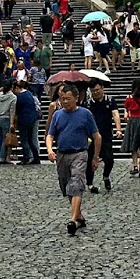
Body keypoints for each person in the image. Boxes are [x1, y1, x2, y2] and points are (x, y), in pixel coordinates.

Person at [47, 83, 100, 237]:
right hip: (62, 154)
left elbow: (97, 136)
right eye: (62, 98)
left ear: (76, 98)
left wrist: (95, 157)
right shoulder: (57, 115)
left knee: (76, 184)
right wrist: (50, 150)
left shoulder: (85, 114)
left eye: (68, 98)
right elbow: (50, 135)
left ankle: (72, 220)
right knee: (66, 186)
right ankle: (79, 216)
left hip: (79, 153)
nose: (65, 101)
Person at [85, 79, 120, 193]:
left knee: (109, 159)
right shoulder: (88, 103)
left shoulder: (110, 100)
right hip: (91, 136)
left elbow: (115, 114)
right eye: (93, 91)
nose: (95, 93)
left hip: (106, 135)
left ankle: (106, 176)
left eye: (97, 90)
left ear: (102, 88)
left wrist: (118, 129)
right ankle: (90, 184)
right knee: (90, 160)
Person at [0, 81, 17, 166]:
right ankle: (2, 157)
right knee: (5, 139)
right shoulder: (13, 97)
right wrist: (12, 123)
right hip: (6, 118)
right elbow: (12, 111)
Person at [14, 79, 41, 165]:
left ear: (17, 88)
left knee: (24, 140)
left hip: (23, 120)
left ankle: (26, 157)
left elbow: (17, 110)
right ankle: (36, 157)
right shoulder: (29, 94)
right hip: (32, 119)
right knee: (30, 140)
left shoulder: (19, 97)